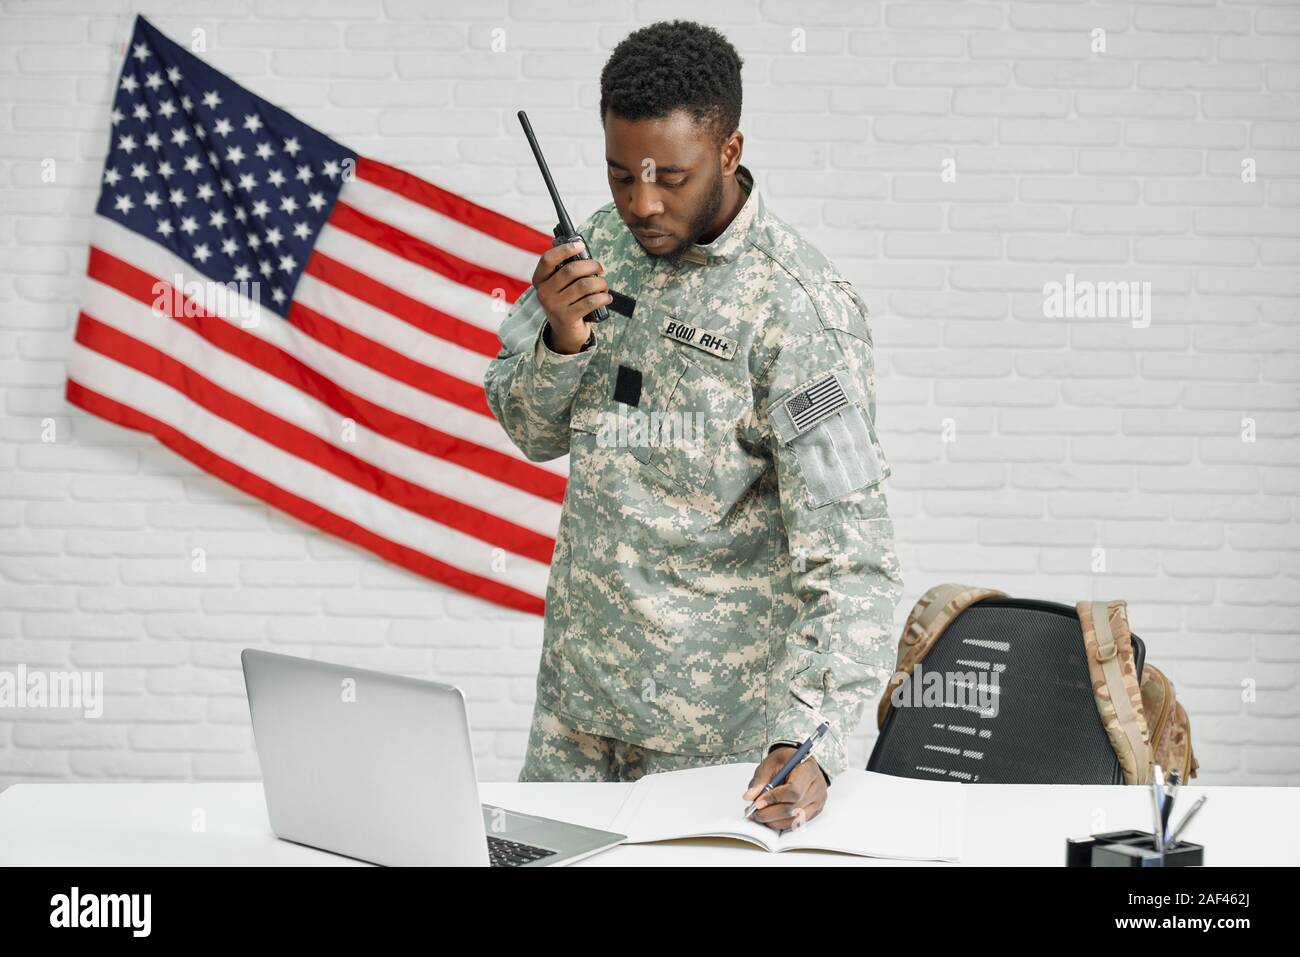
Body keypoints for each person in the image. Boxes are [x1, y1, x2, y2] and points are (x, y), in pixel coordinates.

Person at [484, 20, 902, 832]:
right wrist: (559, 340)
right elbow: (526, 425)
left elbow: (854, 552)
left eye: (670, 178)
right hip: (575, 717)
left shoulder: (799, 313)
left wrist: (809, 737)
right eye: (619, 174)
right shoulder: (596, 246)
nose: (642, 203)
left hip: (713, 746)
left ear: (731, 149)